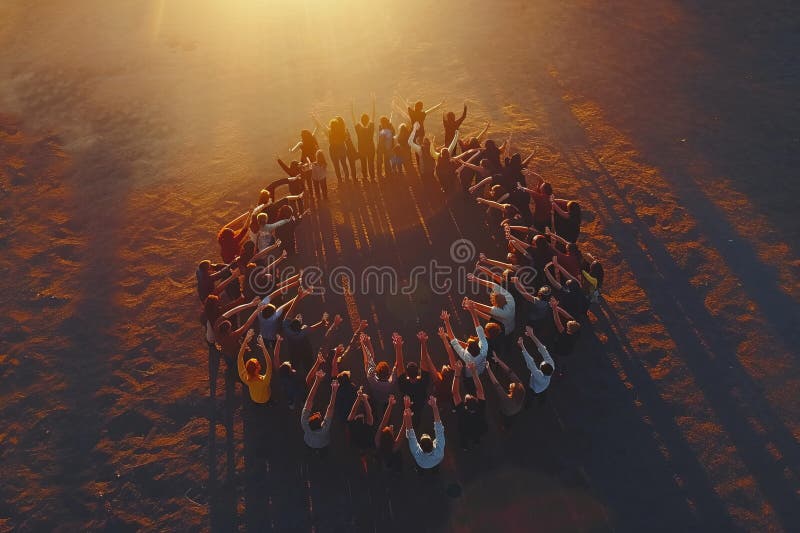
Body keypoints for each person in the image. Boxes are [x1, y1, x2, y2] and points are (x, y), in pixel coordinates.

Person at [393, 332, 431, 426]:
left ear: (407, 374)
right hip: (420, 405)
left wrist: (398, 347)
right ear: (418, 372)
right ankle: (416, 423)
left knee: (412, 414)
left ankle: (411, 424)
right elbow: (423, 361)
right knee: (417, 414)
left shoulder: (404, 384)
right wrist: (423, 343)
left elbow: (400, 365)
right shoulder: (423, 382)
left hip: (410, 405)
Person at [440, 306, 488, 379]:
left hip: (470, 377)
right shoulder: (484, 349)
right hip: (482, 370)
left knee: (455, 363)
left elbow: (454, 342)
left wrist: (446, 322)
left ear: (468, 350)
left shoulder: (467, 357)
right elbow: (479, 329)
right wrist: (472, 311)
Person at [451, 361, 487, 450]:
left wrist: (457, 373)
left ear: (465, 405)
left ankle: (464, 447)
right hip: (478, 428)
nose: (469, 394)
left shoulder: (462, 411)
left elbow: (455, 393)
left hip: (465, 429)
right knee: (476, 435)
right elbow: (480, 390)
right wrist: (474, 372)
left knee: (463, 437)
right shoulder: (480, 407)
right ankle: (476, 442)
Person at [301, 369, 339, 450]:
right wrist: (334, 391)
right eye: (318, 415)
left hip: (309, 441)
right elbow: (330, 408)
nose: (317, 413)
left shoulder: (306, 423)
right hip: (323, 443)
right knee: (323, 451)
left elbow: (309, 401)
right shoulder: (305, 422)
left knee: (311, 448)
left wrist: (317, 381)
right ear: (321, 424)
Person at [405, 396, 445, 471]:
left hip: (422, 465)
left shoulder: (417, 453)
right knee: (435, 467)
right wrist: (434, 406)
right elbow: (439, 427)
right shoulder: (439, 448)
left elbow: (410, 434)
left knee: (420, 468)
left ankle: (421, 472)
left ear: (420, 446)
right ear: (432, 443)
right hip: (437, 460)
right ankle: (435, 471)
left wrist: (407, 410)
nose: (424, 434)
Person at [485, 353, 525, 426]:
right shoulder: (520, 386)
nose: (512, 384)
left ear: (513, 392)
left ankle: (505, 426)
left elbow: (497, 385)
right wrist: (498, 360)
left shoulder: (507, 400)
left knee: (505, 418)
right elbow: (509, 371)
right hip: (517, 409)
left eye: (512, 387)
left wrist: (488, 369)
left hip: (508, 411)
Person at [237, 330, 274, 406]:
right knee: (267, 397)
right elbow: (269, 364)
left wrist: (246, 340)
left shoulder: (245, 378)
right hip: (265, 398)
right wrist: (263, 347)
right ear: (257, 369)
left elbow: (239, 357)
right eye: (258, 364)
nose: (259, 364)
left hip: (254, 398)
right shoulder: (264, 380)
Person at [519, 326, 554, 405]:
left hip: (535, 389)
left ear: (541, 371)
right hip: (544, 386)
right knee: (542, 394)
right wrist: (532, 335)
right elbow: (543, 350)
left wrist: (522, 345)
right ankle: (541, 402)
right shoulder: (552, 365)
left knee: (530, 396)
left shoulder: (539, 376)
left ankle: (529, 404)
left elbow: (531, 363)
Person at [360, 333, 396, 408]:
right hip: (386, 404)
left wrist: (364, 343)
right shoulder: (391, 382)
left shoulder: (373, 381)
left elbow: (368, 360)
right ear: (388, 372)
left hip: (375, 403)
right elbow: (396, 365)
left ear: (377, 372)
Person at [312, 113, 349, 182]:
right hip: (342, 148)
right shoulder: (342, 131)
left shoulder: (329, 132)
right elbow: (346, 138)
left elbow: (321, 125)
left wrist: (315, 118)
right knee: (344, 163)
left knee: (336, 166)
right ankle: (347, 177)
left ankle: (339, 179)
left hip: (333, 150)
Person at [374, 394, 406, 472]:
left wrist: (390, 405)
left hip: (384, 455)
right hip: (392, 457)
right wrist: (406, 407)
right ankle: (391, 468)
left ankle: (386, 467)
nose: (391, 428)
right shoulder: (394, 447)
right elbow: (403, 428)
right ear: (392, 437)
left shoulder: (378, 441)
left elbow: (384, 421)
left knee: (387, 463)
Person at [273, 334, 305, 410]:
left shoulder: (280, 373)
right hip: (296, 388)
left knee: (289, 396)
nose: (289, 362)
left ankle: (291, 403)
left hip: (287, 390)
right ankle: (302, 402)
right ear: (291, 371)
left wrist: (278, 342)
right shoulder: (295, 374)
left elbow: (276, 357)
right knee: (301, 392)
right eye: (289, 364)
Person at [351, 95, 376, 181]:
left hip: (362, 149)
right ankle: (372, 177)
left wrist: (351, 106)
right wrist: (373, 102)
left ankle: (365, 177)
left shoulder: (359, 129)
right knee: (371, 163)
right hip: (371, 148)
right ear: (368, 120)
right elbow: (373, 115)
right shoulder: (371, 128)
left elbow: (353, 117)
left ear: (361, 121)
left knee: (363, 163)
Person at [347, 387, 375, 452]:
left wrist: (359, 397)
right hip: (365, 443)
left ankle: (362, 453)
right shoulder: (367, 424)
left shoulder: (352, 423)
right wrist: (363, 398)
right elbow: (369, 412)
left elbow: (353, 411)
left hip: (358, 443)